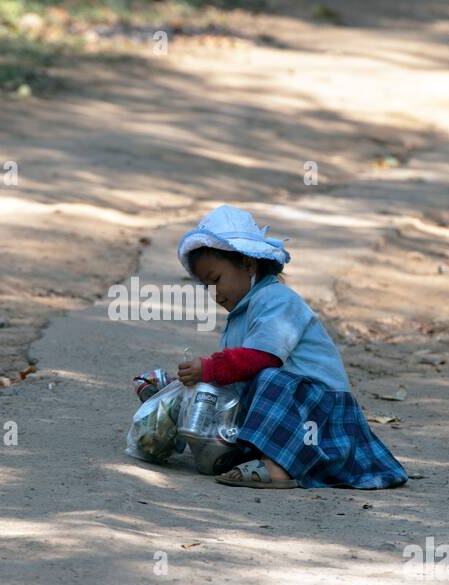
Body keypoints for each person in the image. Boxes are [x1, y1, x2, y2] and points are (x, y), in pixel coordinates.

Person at [175, 205, 408, 491]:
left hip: (321, 414)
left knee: (268, 376)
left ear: (249, 265)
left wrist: (210, 368)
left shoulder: (276, 299)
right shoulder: (240, 314)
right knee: (221, 394)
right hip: (290, 417)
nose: (213, 293)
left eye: (216, 280)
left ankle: (277, 468)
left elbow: (262, 358)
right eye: (205, 286)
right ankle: (251, 453)